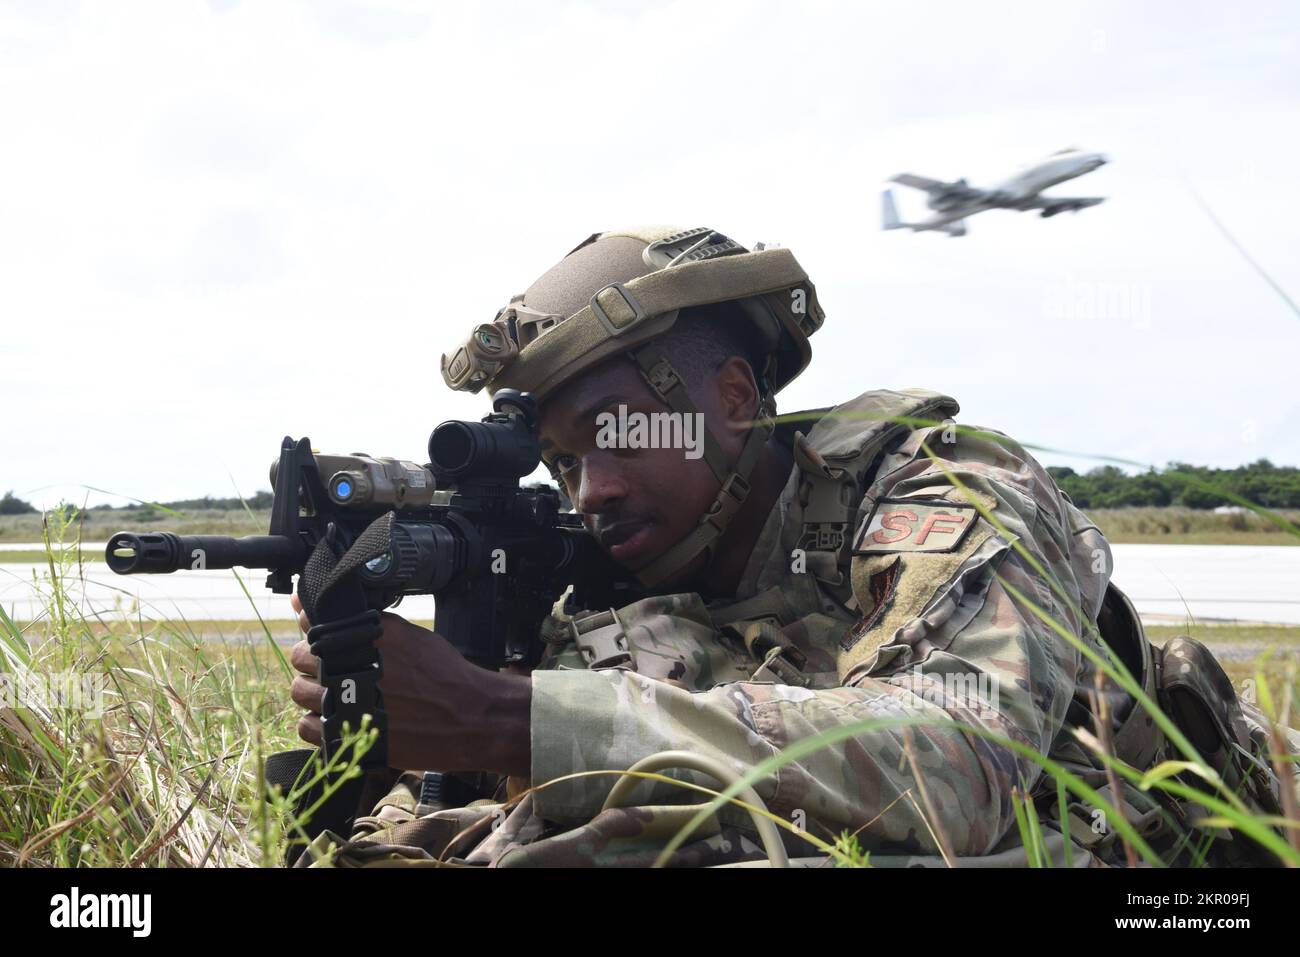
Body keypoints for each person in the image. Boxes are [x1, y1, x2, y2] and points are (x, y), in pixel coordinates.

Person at [288, 226, 1295, 867]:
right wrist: (392, 739)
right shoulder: (613, 583)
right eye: (560, 462)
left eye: (616, 434)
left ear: (732, 399)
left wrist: (512, 719)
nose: (591, 490)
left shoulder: (934, 490)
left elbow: (962, 767)